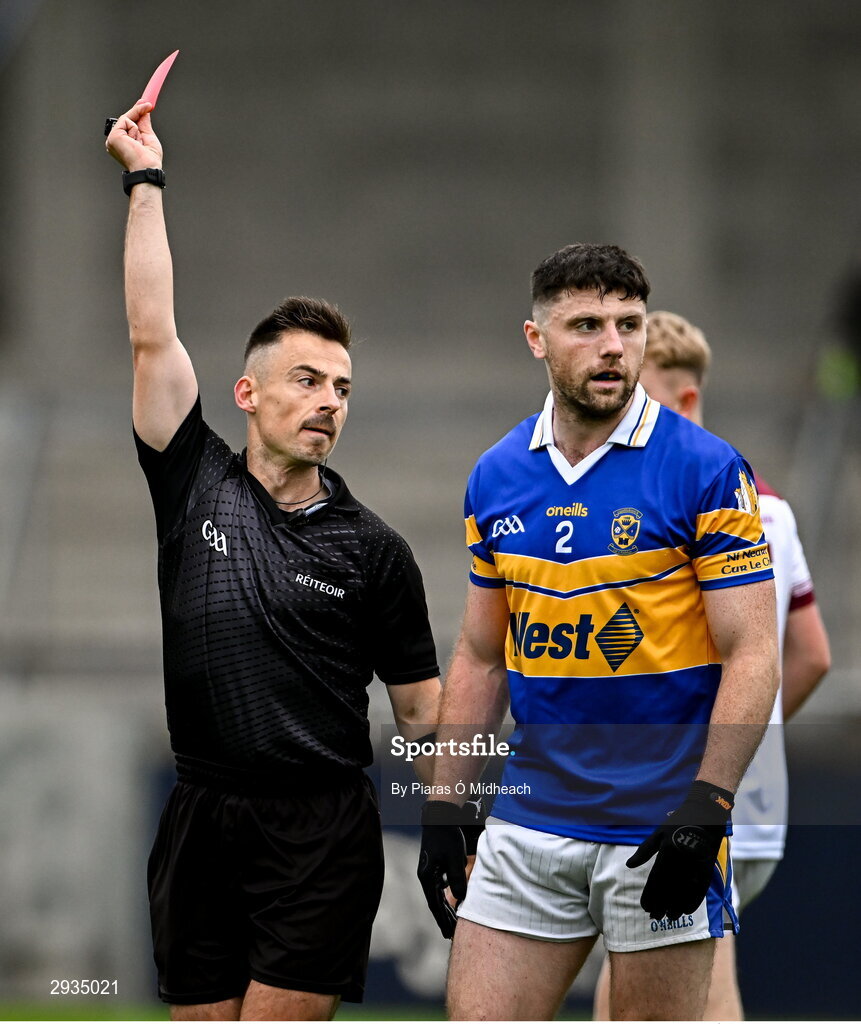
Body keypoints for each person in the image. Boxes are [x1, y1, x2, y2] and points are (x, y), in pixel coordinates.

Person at [105, 99, 442, 1021]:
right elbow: (150, 330)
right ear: (247, 394)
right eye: (306, 380)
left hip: (319, 831)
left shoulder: (374, 552)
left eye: (341, 387)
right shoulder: (192, 481)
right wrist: (144, 180)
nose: (328, 401)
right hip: (200, 815)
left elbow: (421, 711)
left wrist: (461, 822)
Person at [416, 243, 779, 1021]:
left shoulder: (708, 470)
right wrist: (447, 809)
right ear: (535, 338)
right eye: (585, 324)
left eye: (628, 324)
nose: (613, 345)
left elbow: (754, 653)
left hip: (660, 826)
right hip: (529, 819)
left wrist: (707, 806)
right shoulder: (496, 475)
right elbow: (482, 654)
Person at [588, 310, 830, 1021]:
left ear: (684, 400)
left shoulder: (702, 507)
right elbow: (810, 656)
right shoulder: (773, 508)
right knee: (663, 980)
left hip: (690, 798)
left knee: (672, 986)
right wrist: (755, 727)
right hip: (752, 800)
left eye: (640, 397)